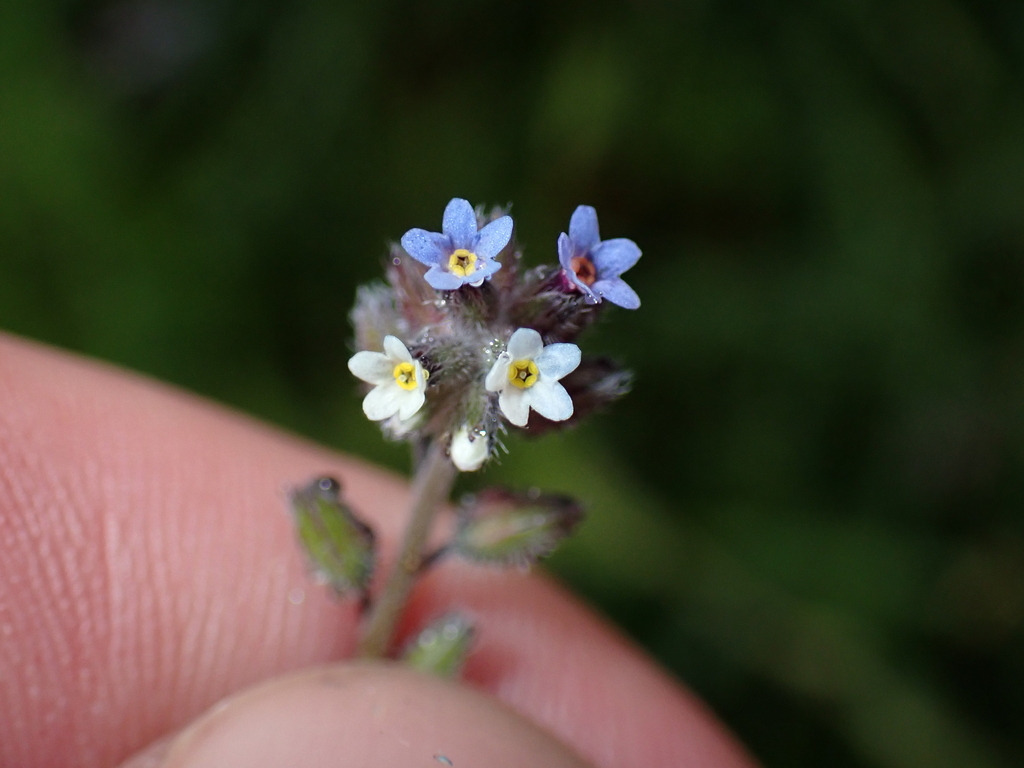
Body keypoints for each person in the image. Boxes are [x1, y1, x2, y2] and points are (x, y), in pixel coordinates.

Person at [0, 333, 755, 768]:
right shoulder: (424, 369)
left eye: (524, 374)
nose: (521, 376)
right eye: (520, 373)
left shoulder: (507, 371)